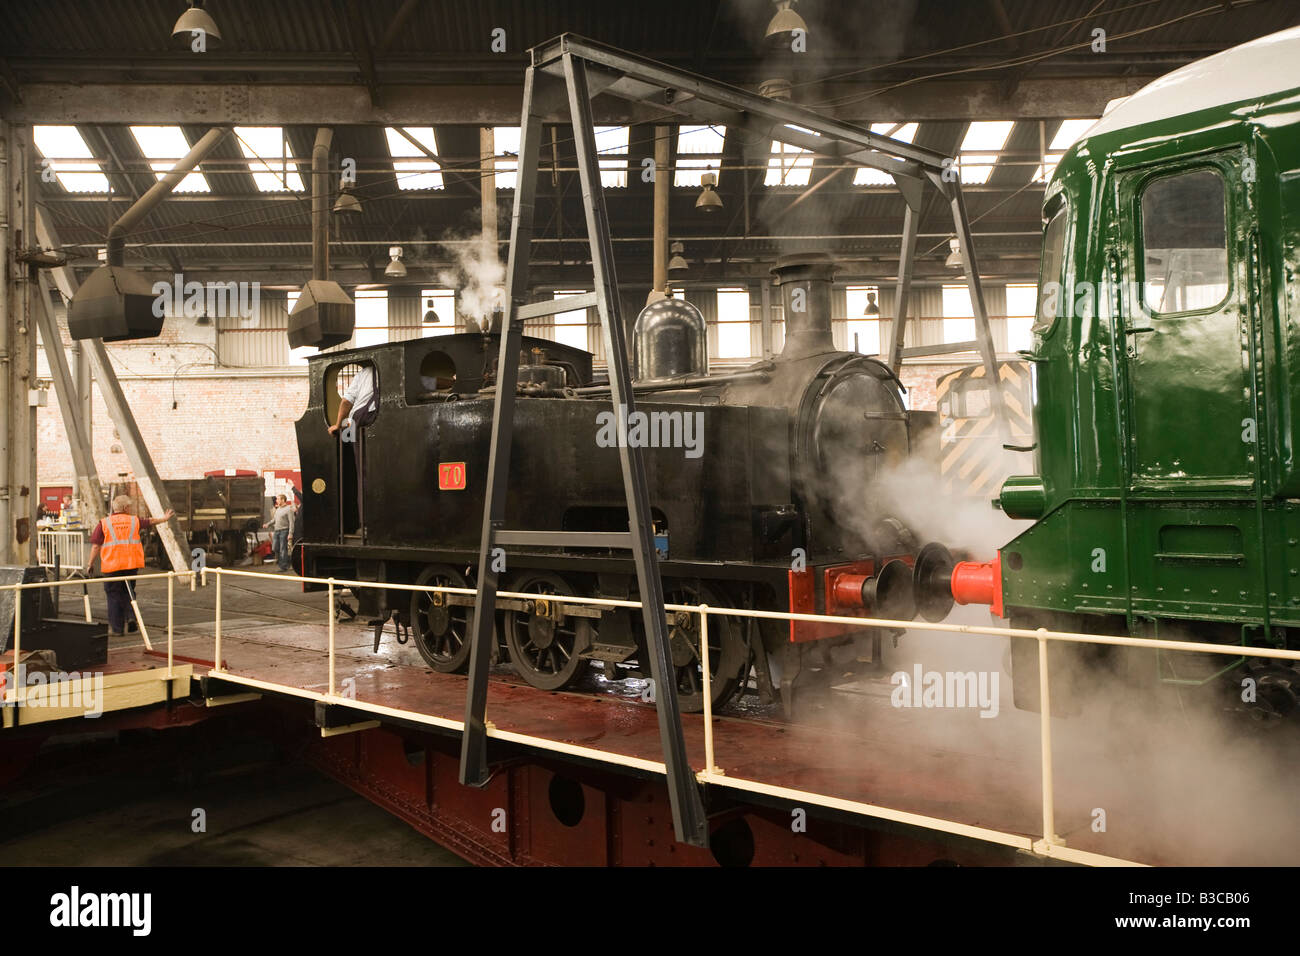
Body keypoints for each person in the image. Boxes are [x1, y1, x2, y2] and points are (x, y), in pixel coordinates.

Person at [84, 494, 175, 637]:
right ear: (125, 508)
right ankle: (131, 616)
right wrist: (164, 519)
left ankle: (117, 629)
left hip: (112, 566)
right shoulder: (134, 521)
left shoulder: (104, 523)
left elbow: (96, 546)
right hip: (131, 564)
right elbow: (150, 521)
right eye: (129, 506)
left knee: (114, 595)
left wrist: (90, 564)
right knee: (128, 592)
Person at [327, 364, 378, 534]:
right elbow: (429, 382)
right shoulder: (399, 366)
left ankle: (366, 524)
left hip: (357, 421)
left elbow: (346, 401)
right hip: (367, 419)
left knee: (362, 473)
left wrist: (337, 424)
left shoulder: (363, 373)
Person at [263, 494, 293, 571]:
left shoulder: (289, 509)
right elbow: (274, 520)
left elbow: (291, 522)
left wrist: (290, 533)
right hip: (277, 531)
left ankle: (283, 567)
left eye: (278, 499)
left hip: (284, 531)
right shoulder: (278, 509)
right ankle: (288, 561)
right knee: (275, 548)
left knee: (283, 549)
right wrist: (267, 524)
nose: (276, 500)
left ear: (283, 500)